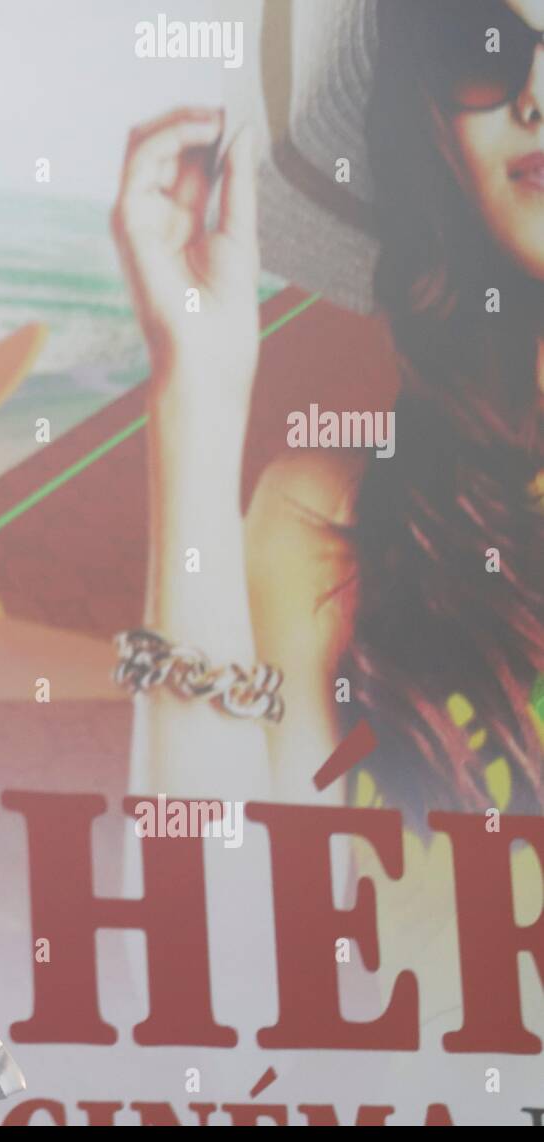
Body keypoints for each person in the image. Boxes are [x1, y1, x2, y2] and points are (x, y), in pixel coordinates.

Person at [109, 0, 544, 821]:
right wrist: (195, 387)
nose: (536, 94)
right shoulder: (332, 521)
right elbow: (213, 929)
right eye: (480, 44)